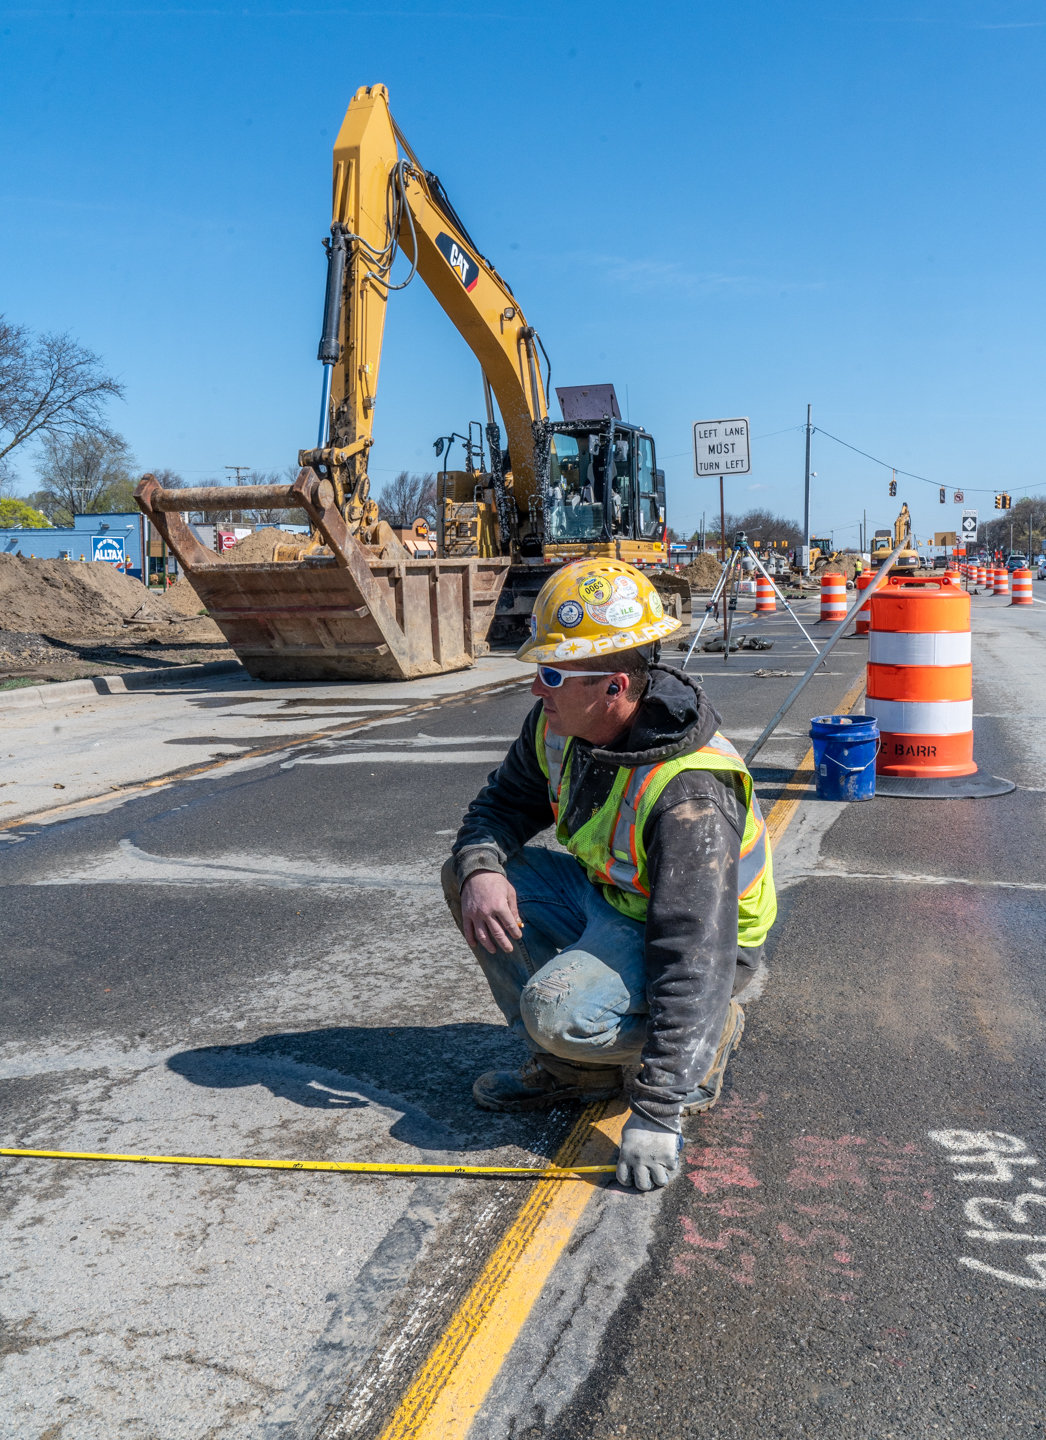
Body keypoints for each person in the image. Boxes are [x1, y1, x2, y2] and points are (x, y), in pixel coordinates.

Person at [442, 560, 777, 1191]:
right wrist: (482, 869)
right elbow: (502, 806)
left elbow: (693, 955)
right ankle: (578, 1070)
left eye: (550, 674)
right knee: (468, 876)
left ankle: (706, 1037)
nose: (536, 689)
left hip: (705, 944)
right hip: (613, 898)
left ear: (615, 686)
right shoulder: (561, 725)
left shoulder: (691, 796)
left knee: (557, 1012)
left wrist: (656, 1110)